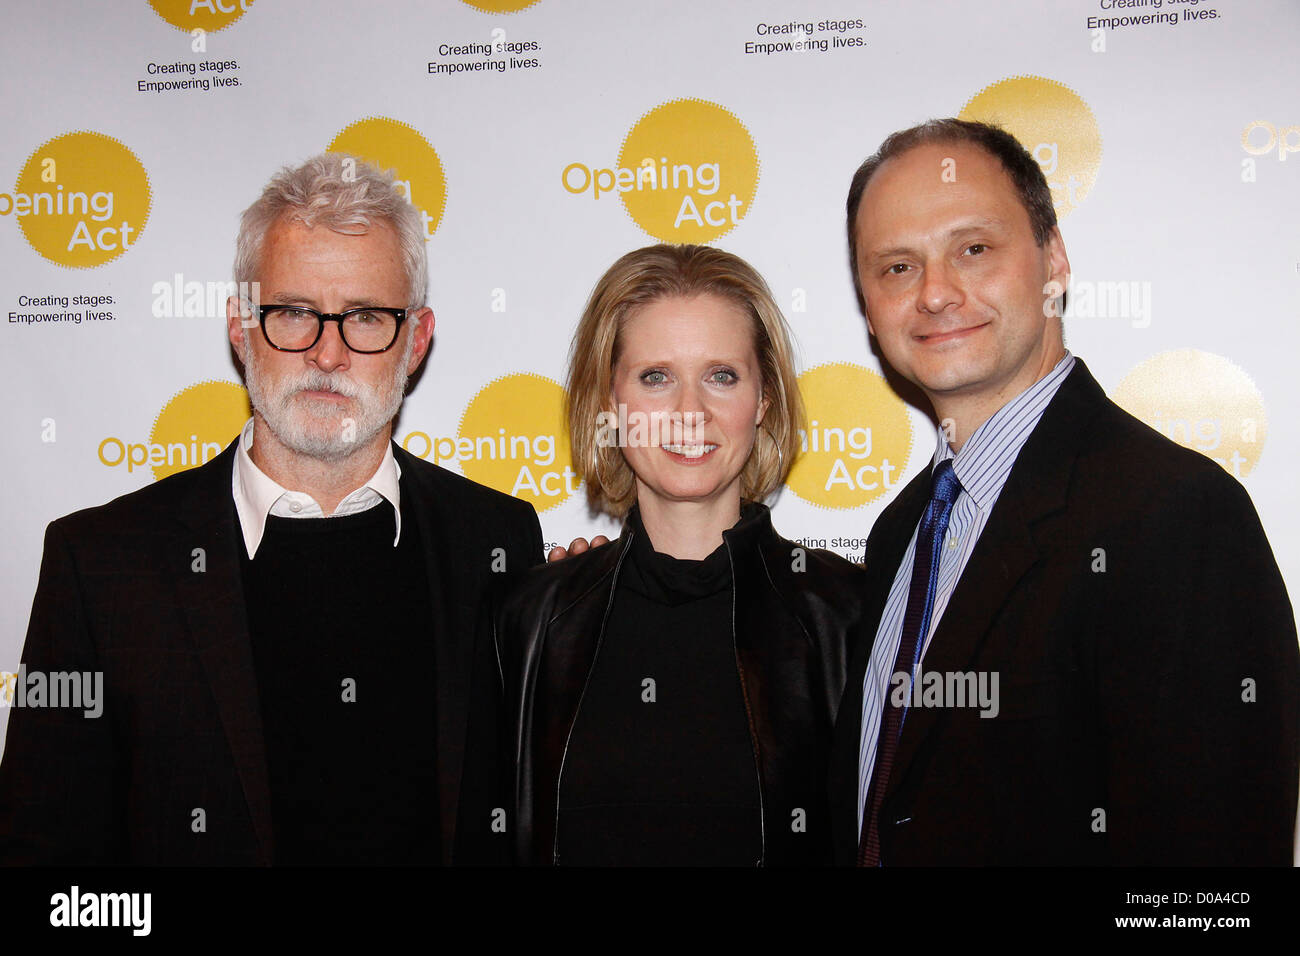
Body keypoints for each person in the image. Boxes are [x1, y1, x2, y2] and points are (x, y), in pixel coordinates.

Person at [0, 154, 541, 865]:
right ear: (240, 327)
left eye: (367, 317)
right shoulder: (100, 565)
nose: (327, 352)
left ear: (416, 340)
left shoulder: (496, 542)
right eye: (293, 313)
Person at [830, 118, 1300, 865]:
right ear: (867, 306)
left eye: (973, 249)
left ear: (1053, 260)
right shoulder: (900, 534)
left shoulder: (1175, 516)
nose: (936, 294)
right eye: (896, 267)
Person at [497, 243, 867, 865]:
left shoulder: (849, 617)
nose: (689, 413)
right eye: (655, 377)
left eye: (722, 376)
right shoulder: (527, 618)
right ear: (608, 404)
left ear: (765, 401)